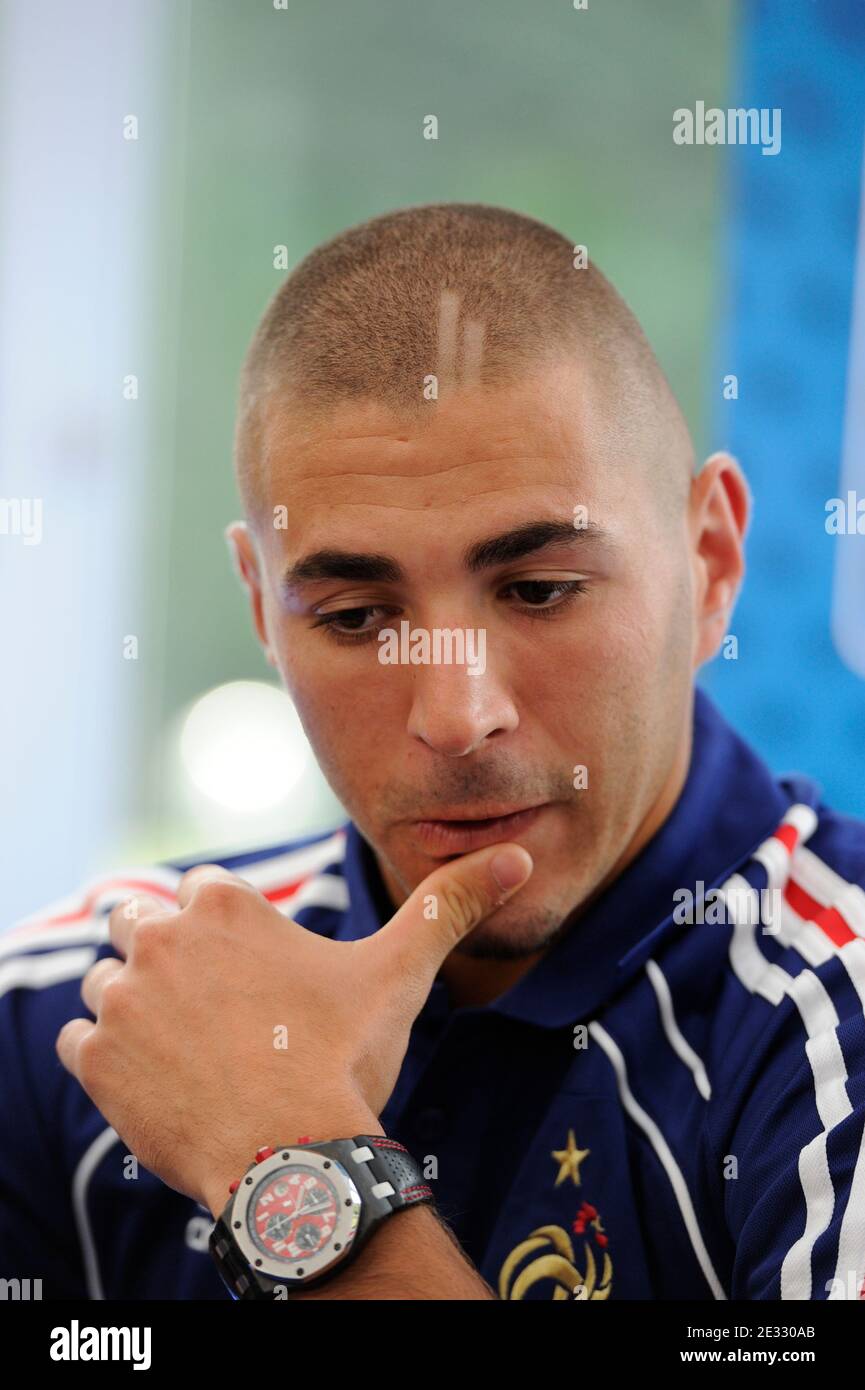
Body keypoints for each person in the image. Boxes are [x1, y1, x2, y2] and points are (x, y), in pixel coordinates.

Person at [3, 202, 864, 1301]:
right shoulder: (70, 1016)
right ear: (264, 612)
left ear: (710, 561)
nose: (458, 717)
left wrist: (288, 1156)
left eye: (540, 589)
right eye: (357, 616)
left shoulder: (838, 1014)